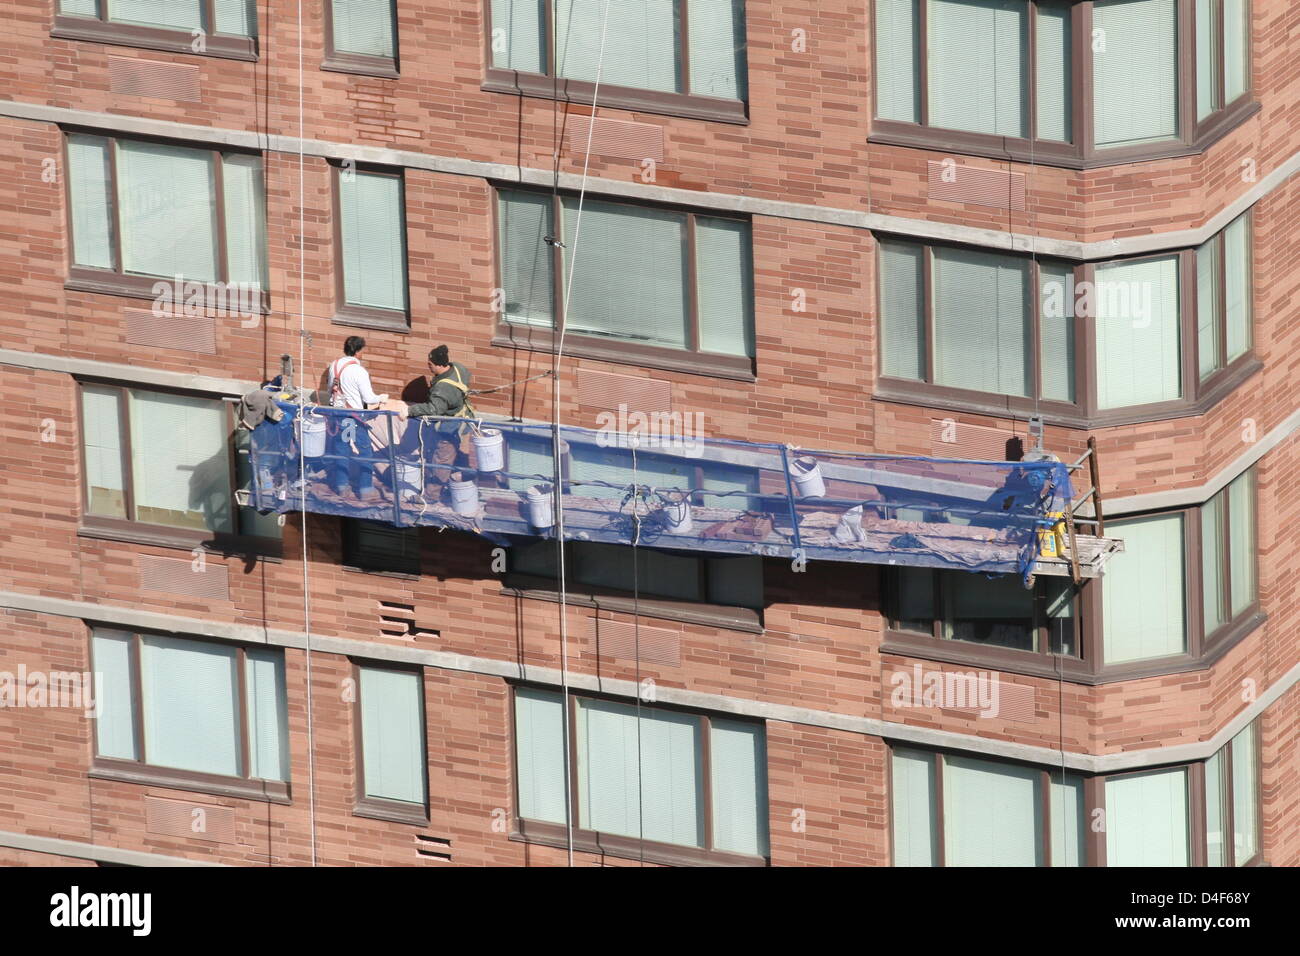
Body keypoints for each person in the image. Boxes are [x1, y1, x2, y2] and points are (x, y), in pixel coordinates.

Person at [323, 336, 388, 500]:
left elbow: (330, 387)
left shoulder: (334, 365)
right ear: (359, 351)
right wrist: (382, 397)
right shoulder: (359, 371)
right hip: (354, 417)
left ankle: (342, 486)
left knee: (342, 449)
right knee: (365, 450)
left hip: (338, 415)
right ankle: (366, 489)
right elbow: (369, 398)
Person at [402, 345, 474, 485]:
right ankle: (458, 484)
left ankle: (431, 497)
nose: (429, 367)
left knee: (441, 462)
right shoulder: (458, 368)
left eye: (430, 364)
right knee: (459, 457)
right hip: (465, 421)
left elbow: (434, 409)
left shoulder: (442, 388)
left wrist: (409, 411)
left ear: (439, 364)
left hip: (450, 428)